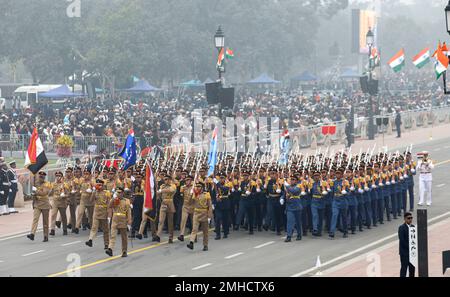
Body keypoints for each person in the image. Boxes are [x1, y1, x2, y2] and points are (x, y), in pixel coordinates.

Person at [187, 181, 213, 251]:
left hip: (204, 213)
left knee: (205, 231)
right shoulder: (195, 194)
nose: (197, 188)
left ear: (202, 187)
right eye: (196, 186)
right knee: (194, 229)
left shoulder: (206, 194)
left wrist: (209, 216)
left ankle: (205, 245)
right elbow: (189, 203)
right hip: (196, 212)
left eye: (199, 186)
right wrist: (190, 195)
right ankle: (191, 242)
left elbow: (209, 206)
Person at [106, 187, 131, 257]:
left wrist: (129, 220)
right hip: (115, 219)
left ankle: (124, 251)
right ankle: (110, 249)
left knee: (124, 237)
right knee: (113, 235)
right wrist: (113, 200)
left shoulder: (126, 201)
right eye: (117, 192)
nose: (118, 194)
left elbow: (128, 211)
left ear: (123, 193)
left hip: (123, 219)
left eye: (120, 192)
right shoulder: (114, 199)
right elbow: (109, 206)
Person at [86, 179, 111, 250]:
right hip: (96, 212)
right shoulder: (95, 192)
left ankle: (106, 244)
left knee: (105, 230)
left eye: (100, 185)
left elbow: (109, 205)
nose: (99, 186)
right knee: (94, 227)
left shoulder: (107, 193)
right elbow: (90, 200)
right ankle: (90, 240)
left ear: (103, 185)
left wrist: (109, 215)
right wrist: (94, 191)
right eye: (98, 185)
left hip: (104, 212)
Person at [27, 172, 52, 242]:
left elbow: (44, 193)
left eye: (42, 177)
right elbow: (34, 193)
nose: (41, 178)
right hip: (37, 204)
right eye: (40, 177)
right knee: (35, 219)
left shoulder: (47, 184)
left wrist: (36, 191)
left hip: (45, 204)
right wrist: (32, 194)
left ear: (44, 177)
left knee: (45, 222)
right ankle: (32, 234)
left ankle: (45, 236)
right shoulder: (36, 184)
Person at [154, 173, 176, 243]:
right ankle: (158, 235)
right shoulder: (162, 186)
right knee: (161, 221)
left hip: (170, 203)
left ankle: (170, 237)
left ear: (169, 180)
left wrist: (162, 191)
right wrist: (158, 193)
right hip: (163, 203)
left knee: (170, 222)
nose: (165, 181)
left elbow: (171, 190)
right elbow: (159, 194)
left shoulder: (173, 185)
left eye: (166, 179)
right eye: (164, 179)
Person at [283, 174, 303, 242]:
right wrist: (282, 198)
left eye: (293, 179)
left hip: (297, 207)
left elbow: (293, 191)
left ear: (296, 181)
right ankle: (289, 236)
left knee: (298, 222)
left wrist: (287, 185)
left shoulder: (299, 186)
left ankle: (299, 234)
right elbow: (284, 194)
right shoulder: (288, 187)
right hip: (289, 207)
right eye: (291, 179)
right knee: (289, 221)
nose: (291, 181)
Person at [49, 171, 69, 236]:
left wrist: (64, 196)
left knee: (63, 216)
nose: (58, 177)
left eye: (59, 175)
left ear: (61, 176)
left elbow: (68, 193)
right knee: (53, 215)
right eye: (56, 175)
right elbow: (50, 193)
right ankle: (52, 229)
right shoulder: (53, 184)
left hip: (62, 202)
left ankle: (65, 229)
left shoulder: (64, 184)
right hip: (55, 202)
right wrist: (51, 188)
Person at [177, 175, 195, 242]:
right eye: (186, 180)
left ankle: (194, 235)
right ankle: (181, 235)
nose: (187, 181)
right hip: (185, 205)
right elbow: (181, 195)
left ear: (191, 181)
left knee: (193, 222)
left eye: (189, 180)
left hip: (192, 206)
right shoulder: (183, 187)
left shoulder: (194, 187)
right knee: (183, 220)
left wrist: (193, 192)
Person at [398, 212, 415, 277]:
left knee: (412, 269)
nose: (410, 219)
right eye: (408, 218)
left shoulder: (413, 227)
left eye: (411, 218)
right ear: (405, 219)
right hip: (404, 253)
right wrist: (410, 247)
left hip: (412, 253)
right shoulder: (401, 228)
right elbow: (402, 241)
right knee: (404, 269)